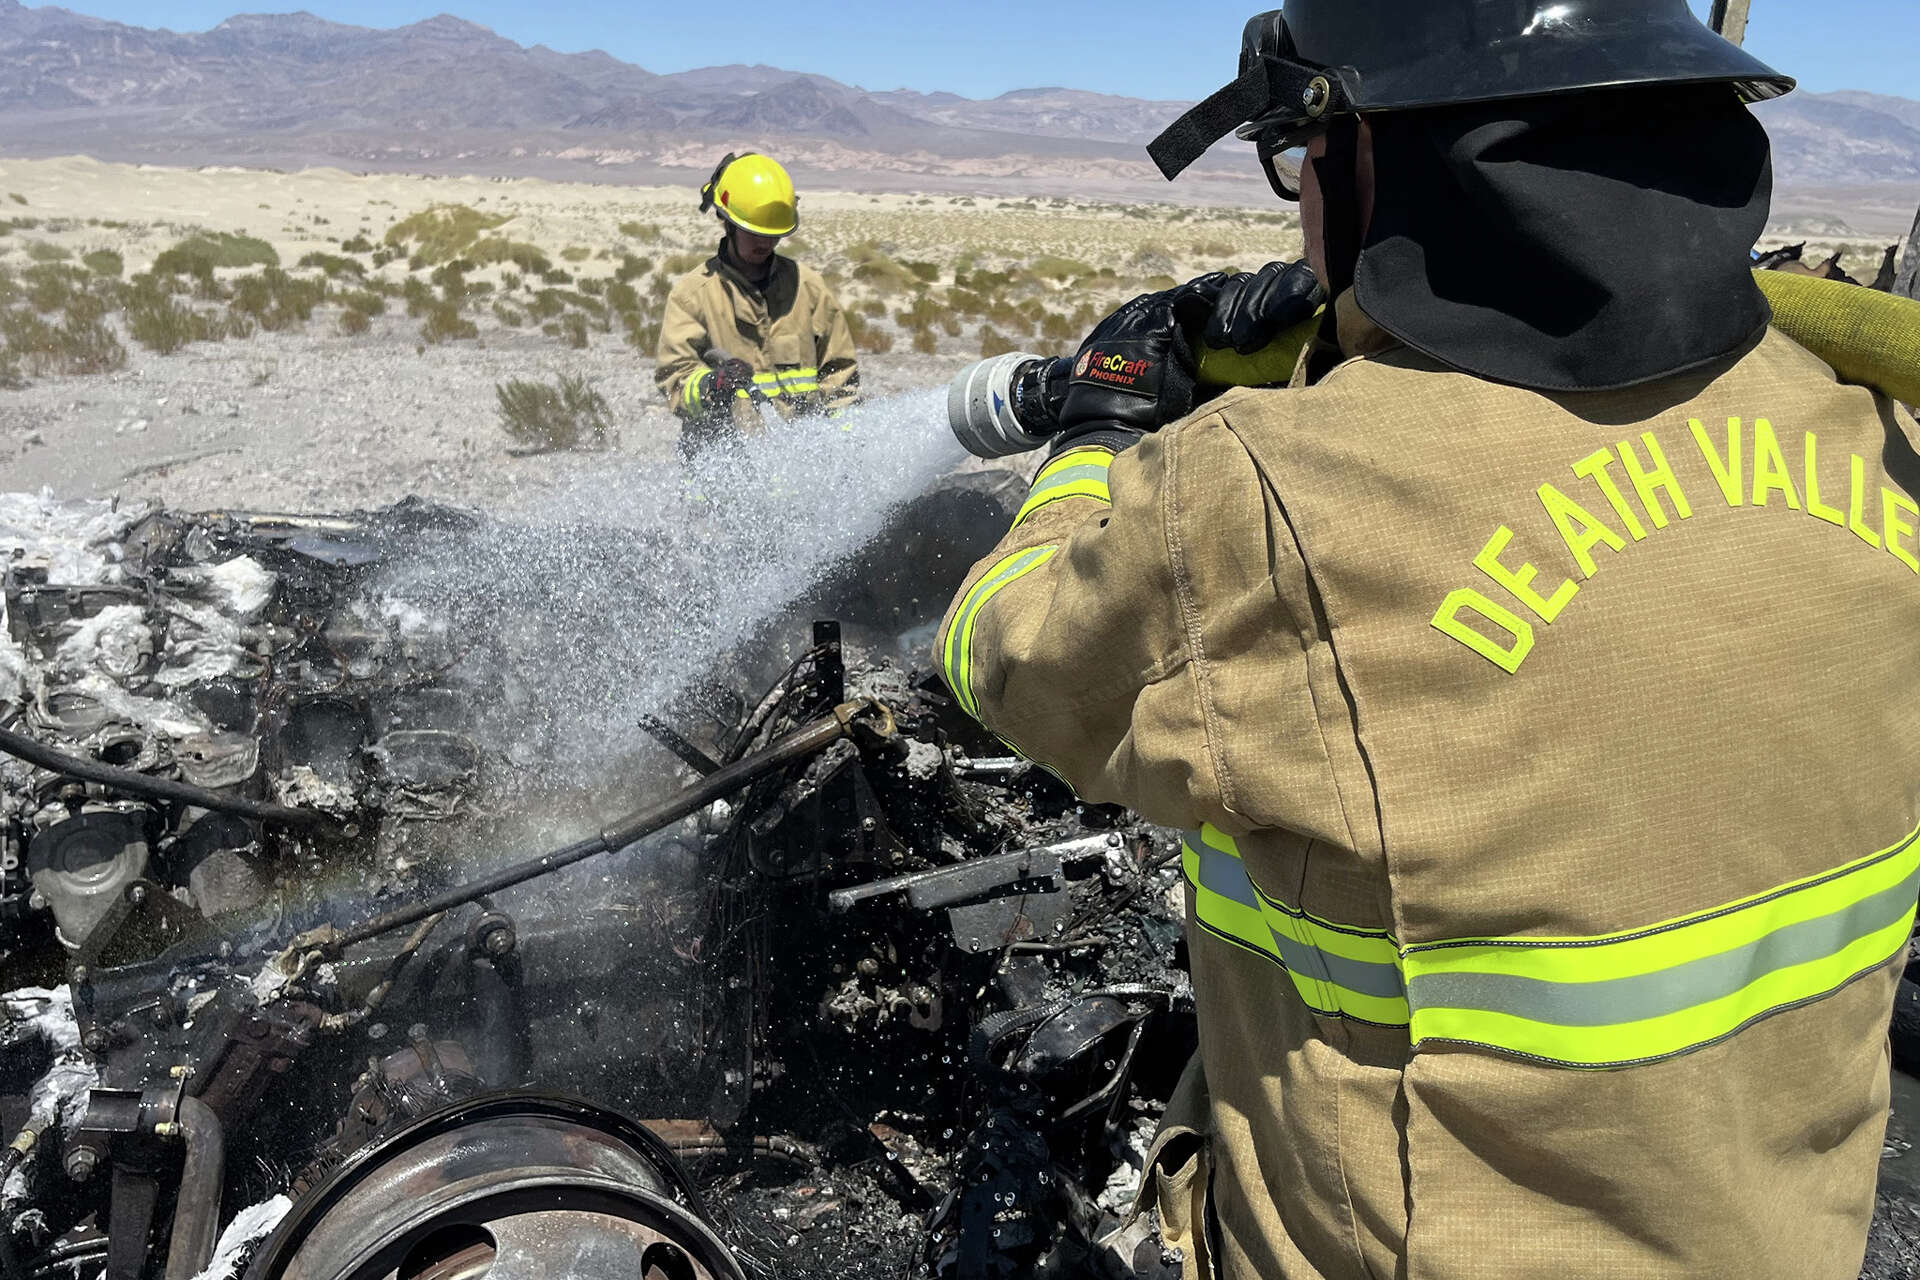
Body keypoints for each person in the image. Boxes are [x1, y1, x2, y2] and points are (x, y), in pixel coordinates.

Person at [936, 4, 1920, 1278]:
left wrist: (1098, 435)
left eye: (1305, 155)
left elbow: (1005, 656)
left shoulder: (1252, 502)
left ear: (1385, 166)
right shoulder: (1869, 440)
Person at [654, 152, 859, 458]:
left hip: (800, 476)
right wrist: (712, 385)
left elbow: (840, 378)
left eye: (773, 235)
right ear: (727, 222)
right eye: (754, 233)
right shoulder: (693, 295)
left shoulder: (809, 288)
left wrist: (846, 452)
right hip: (725, 481)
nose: (765, 243)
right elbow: (675, 380)